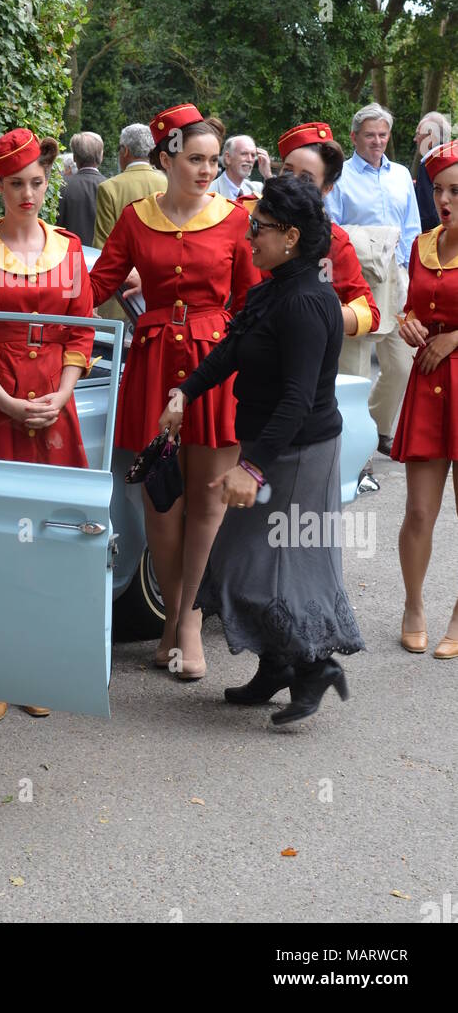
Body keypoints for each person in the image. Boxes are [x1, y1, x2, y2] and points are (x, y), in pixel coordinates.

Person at [160, 173, 365, 724]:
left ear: (291, 237)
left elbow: (298, 400)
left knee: (286, 569)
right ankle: (278, 665)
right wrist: (187, 389)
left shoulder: (306, 302)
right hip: (269, 448)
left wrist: (251, 466)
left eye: (261, 228)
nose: (251, 236)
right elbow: (231, 350)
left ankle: (315, 666)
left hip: (299, 453)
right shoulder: (271, 289)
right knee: (245, 564)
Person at [89, 104, 260, 679]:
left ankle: (185, 621)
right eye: (195, 159)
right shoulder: (135, 219)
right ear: (166, 158)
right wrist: (31, 289)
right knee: (160, 500)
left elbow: (251, 301)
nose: (208, 170)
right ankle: (174, 621)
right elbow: (93, 289)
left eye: (213, 160)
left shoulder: (239, 220)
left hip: (219, 364)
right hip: (153, 362)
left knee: (209, 499)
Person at [0, 128, 95, 721]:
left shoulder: (71, 246)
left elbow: (82, 330)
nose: (28, 194)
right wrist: (5, 402)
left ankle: (35, 665)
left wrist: (60, 394)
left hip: (54, 403)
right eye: (16, 184)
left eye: (36, 182)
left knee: (50, 538)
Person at [392, 140, 458, 659]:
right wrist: (408, 323)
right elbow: (410, 307)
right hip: (429, 383)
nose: (444, 199)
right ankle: (414, 605)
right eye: (438, 189)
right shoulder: (422, 244)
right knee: (419, 511)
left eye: (455, 190)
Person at [324, 104, 421, 455]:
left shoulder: (399, 175)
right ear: (354, 137)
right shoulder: (341, 177)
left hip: (398, 277)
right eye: (370, 135)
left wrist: (413, 273)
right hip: (358, 279)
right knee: (356, 369)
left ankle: (376, 428)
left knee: (401, 366)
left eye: (382, 135)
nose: (377, 141)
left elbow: (412, 226)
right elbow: (331, 227)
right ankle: (354, 450)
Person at [274, 122, 380, 337]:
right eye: (287, 171)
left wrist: (317, 311)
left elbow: (368, 313)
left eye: (306, 178)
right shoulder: (246, 219)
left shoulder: (333, 241)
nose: (292, 183)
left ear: (327, 189)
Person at [93, 123, 166, 323]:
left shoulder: (109, 188)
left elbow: (102, 244)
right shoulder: (168, 184)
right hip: (159, 292)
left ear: (125, 151)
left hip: (119, 295)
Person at [57, 131, 104, 245]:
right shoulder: (111, 186)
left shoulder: (61, 186)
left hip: (70, 256)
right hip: (101, 256)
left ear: (74, 157)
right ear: (101, 156)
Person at [414, 112, 452, 233]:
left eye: (418, 134)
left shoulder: (429, 164)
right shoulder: (450, 161)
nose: (415, 139)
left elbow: (428, 214)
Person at [212, 135, 270, 200]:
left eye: (253, 155)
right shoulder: (210, 192)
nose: (250, 160)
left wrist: (267, 175)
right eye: (244, 154)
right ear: (228, 157)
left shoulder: (257, 189)